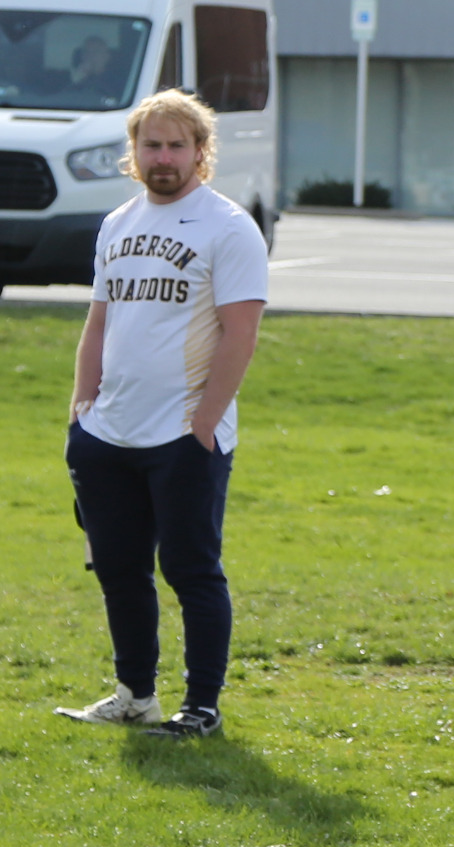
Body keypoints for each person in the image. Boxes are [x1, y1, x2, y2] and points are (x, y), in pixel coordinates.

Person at [56, 90, 268, 738]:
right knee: (120, 570)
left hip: (182, 435)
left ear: (202, 154)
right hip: (108, 432)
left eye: (179, 145)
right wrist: (80, 412)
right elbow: (98, 322)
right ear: (134, 152)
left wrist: (203, 423)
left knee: (190, 569)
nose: (165, 157)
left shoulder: (228, 226)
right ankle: (135, 694)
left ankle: (200, 707)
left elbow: (241, 333)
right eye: (153, 144)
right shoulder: (117, 223)